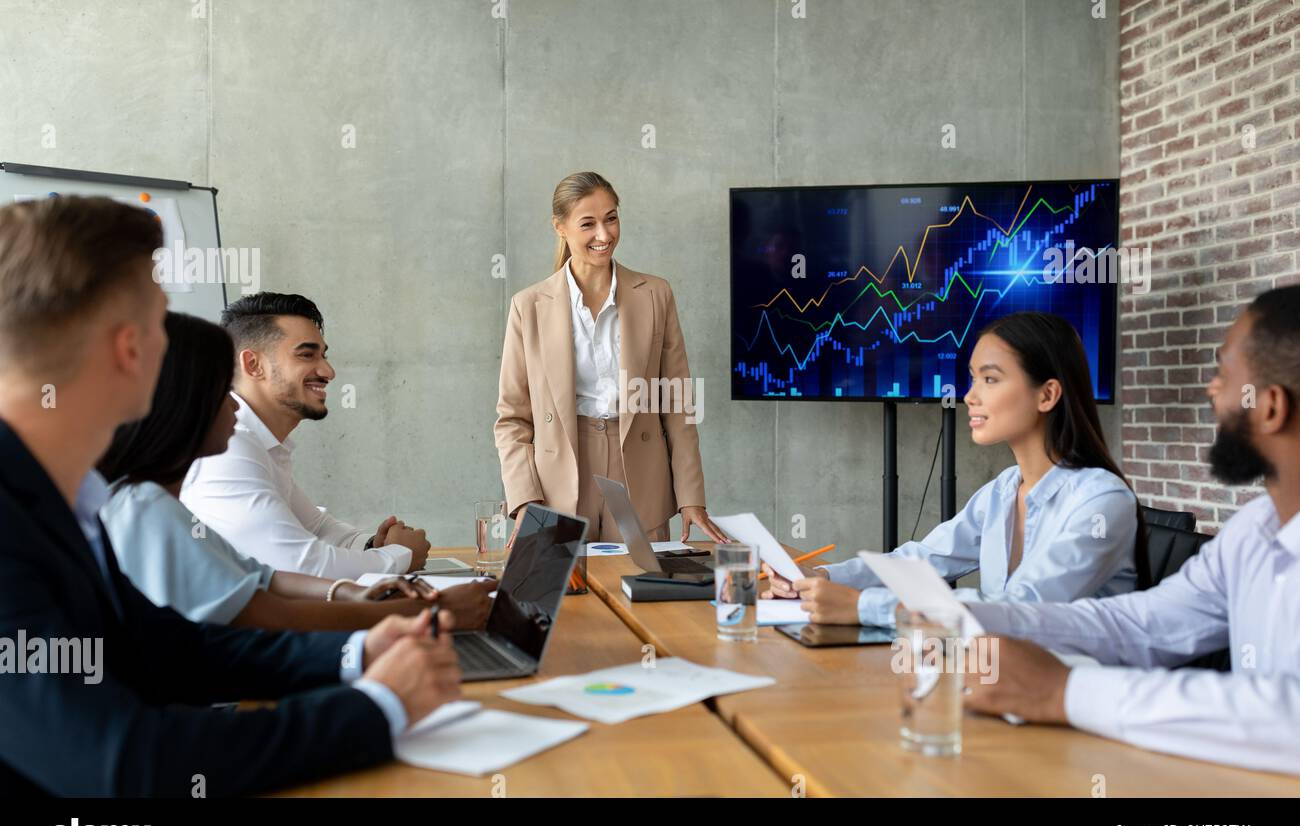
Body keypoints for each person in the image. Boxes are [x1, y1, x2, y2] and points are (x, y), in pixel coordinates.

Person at [0, 196, 458, 796]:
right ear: (129, 348)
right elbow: (123, 761)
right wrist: (380, 708)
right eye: (163, 321)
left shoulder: (70, 498)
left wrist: (357, 652)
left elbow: (175, 648)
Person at [963, 288, 1300, 777]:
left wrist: (1062, 691)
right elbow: (1141, 625)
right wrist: (976, 616)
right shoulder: (1254, 529)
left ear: (1269, 407)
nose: (1212, 390)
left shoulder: (1100, 496)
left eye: (1223, 374)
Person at [99, 310, 494, 632]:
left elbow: (263, 576)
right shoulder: (156, 502)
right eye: (222, 391)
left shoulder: (157, 500)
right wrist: (427, 606)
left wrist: (354, 584)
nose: (234, 405)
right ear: (183, 406)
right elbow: (279, 599)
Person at [770, 312, 1148, 626]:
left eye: (990, 379)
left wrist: (862, 607)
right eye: (972, 378)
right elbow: (921, 561)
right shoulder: (1002, 491)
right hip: (998, 682)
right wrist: (822, 577)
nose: (969, 395)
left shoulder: (1101, 501)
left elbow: (1023, 608)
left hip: (1073, 697)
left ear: (1047, 394)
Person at [496, 171, 726, 544]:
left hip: (639, 475)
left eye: (612, 218)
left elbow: (678, 404)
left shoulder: (655, 294)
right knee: (558, 599)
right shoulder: (528, 306)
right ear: (560, 227)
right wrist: (525, 500)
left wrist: (691, 499)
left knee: (640, 596)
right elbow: (513, 419)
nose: (604, 235)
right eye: (588, 223)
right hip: (558, 482)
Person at [181, 292, 431, 579]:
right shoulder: (228, 446)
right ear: (253, 365)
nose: (328, 371)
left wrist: (374, 545)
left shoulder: (262, 443)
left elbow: (316, 528)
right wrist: (398, 555)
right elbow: (301, 564)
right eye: (306, 354)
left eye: (323, 355)